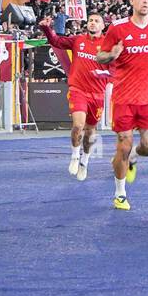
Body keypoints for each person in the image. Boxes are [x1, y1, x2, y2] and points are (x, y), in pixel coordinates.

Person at [95, 0, 148, 211]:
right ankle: (120, 193)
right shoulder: (117, 28)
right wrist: (111, 55)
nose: (145, 1)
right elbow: (100, 56)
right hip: (124, 98)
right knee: (123, 147)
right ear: (132, 1)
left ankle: (134, 158)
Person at [39, 11, 110, 180]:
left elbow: (117, 69)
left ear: (103, 26)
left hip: (97, 94)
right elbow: (56, 41)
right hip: (78, 90)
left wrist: (102, 73)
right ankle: (75, 156)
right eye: (91, 20)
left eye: (96, 21)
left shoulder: (109, 45)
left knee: (90, 131)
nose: (93, 23)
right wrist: (47, 29)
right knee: (78, 125)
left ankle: (84, 161)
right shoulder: (78, 40)